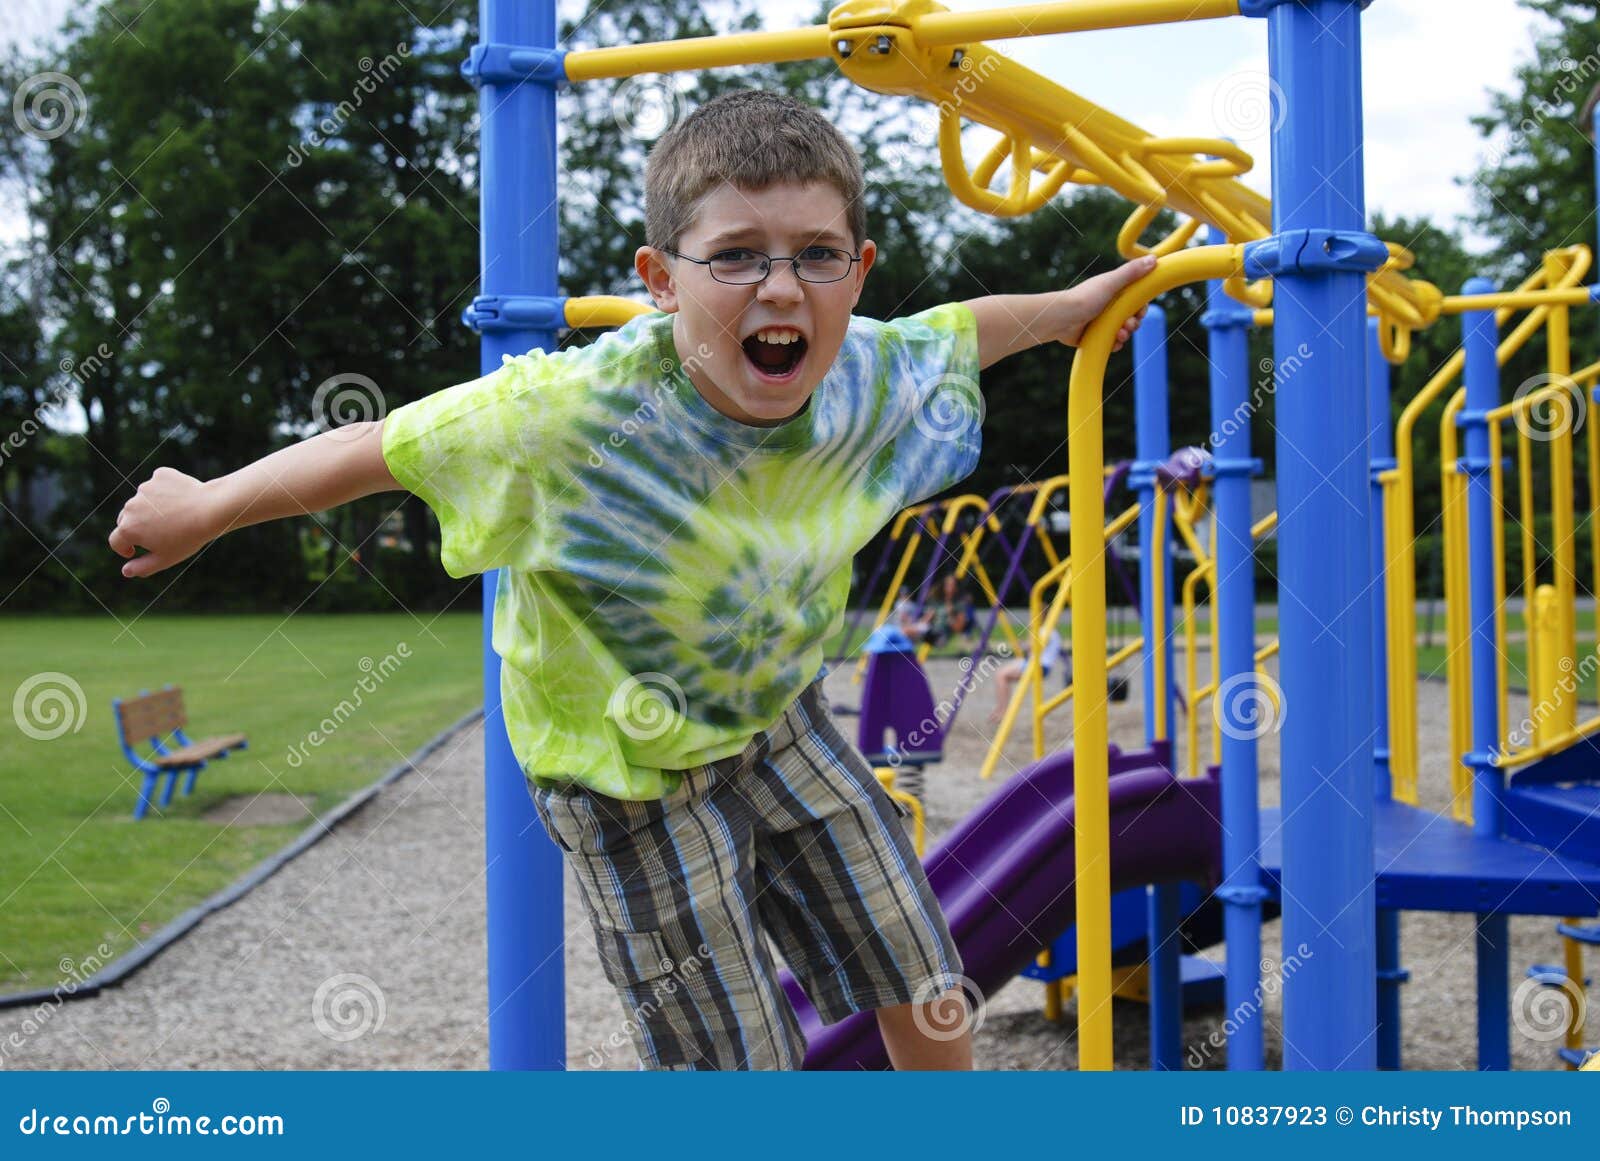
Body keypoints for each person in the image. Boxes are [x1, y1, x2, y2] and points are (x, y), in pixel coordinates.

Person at [108, 90, 1152, 1070]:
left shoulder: (873, 375)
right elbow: (382, 448)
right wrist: (205, 506)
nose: (781, 286)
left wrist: (1066, 308)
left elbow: (962, 331)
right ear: (660, 280)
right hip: (620, 771)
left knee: (920, 967)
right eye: (736, 256)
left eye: (815, 256)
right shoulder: (566, 415)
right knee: (732, 1050)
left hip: (773, 719)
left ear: (859, 269)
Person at [988, 627, 1064, 726]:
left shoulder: (1045, 630)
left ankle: (1003, 711)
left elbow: (1033, 646)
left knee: (1001, 675)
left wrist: (1025, 641)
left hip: (1038, 666)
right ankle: (1002, 709)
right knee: (1002, 673)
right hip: (1037, 665)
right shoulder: (1052, 631)